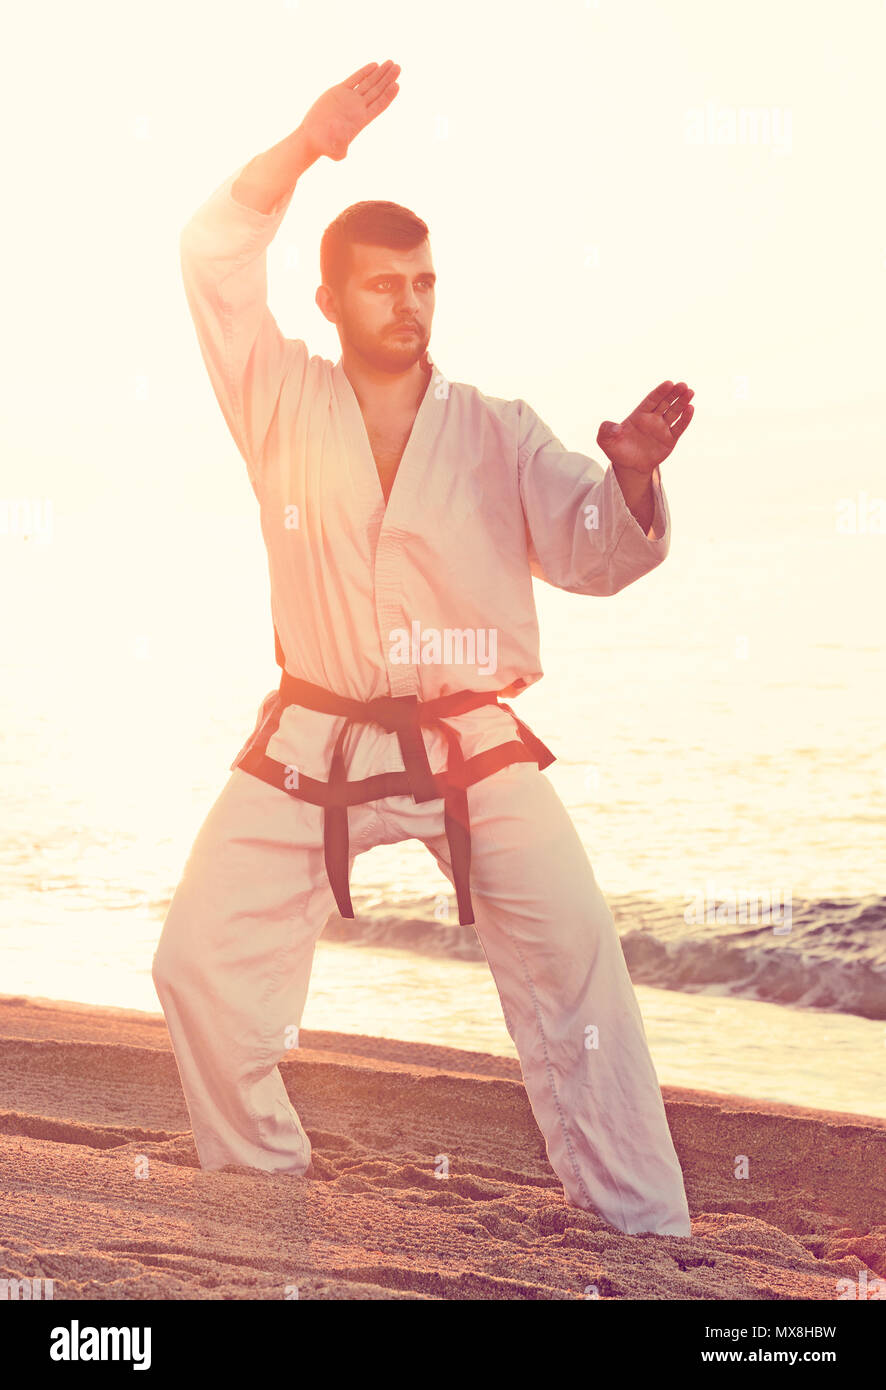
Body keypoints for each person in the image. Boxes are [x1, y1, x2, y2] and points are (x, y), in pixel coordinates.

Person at [153, 59, 696, 1237]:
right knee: (195, 961)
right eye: (385, 285)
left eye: (425, 282)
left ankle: (640, 1225)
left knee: (580, 973)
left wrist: (634, 479)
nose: (411, 302)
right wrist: (306, 144)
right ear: (332, 298)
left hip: (469, 743)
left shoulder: (497, 431)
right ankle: (258, 1187)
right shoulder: (275, 396)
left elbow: (595, 547)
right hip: (314, 734)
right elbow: (211, 255)